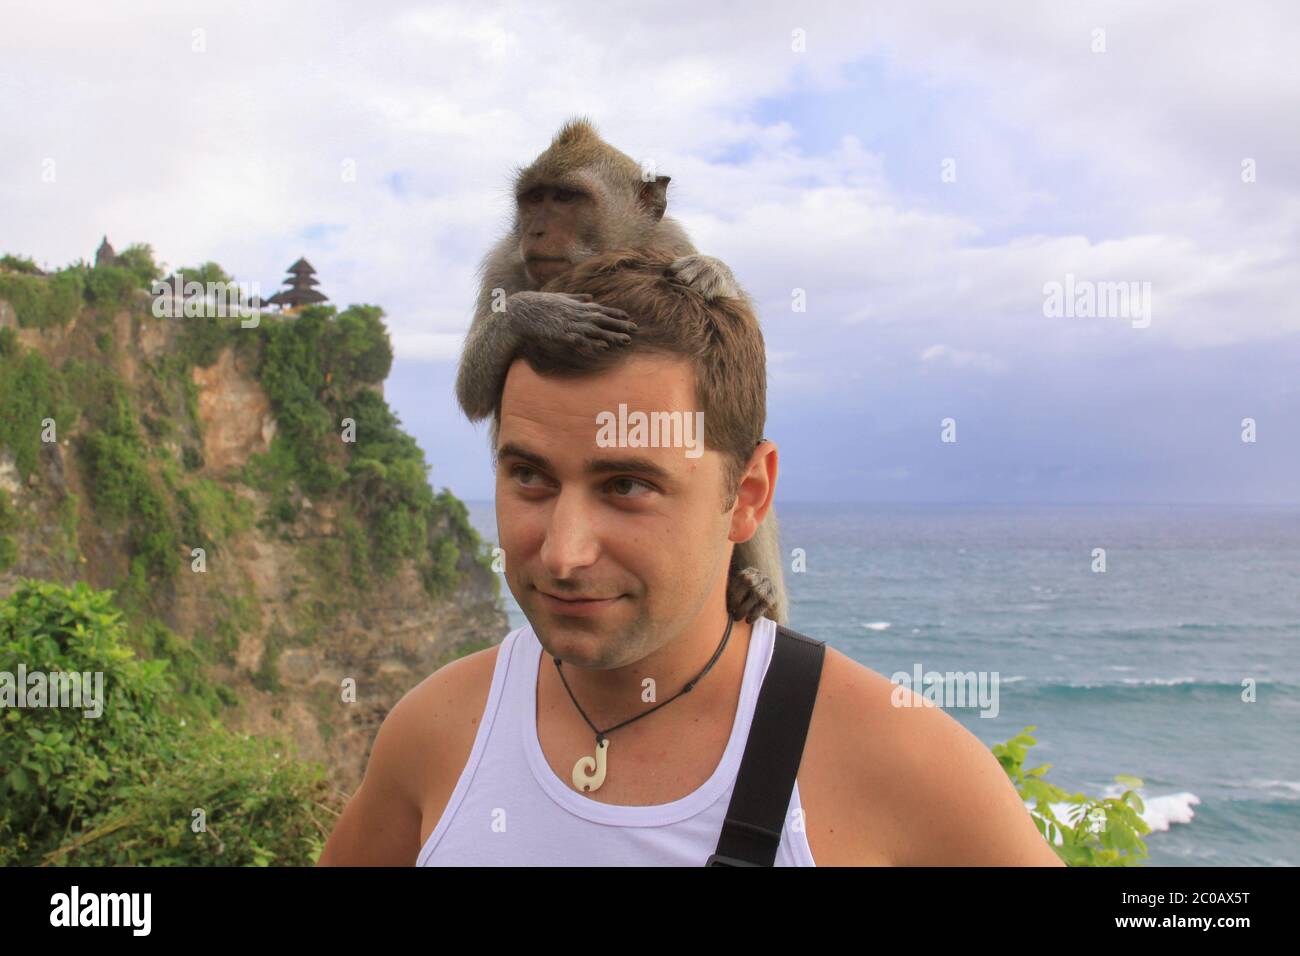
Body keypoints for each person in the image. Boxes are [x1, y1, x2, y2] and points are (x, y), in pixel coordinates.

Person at [318, 248, 1064, 866]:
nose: (563, 553)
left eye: (628, 485)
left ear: (746, 495)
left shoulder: (901, 761)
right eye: (530, 477)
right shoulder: (437, 731)